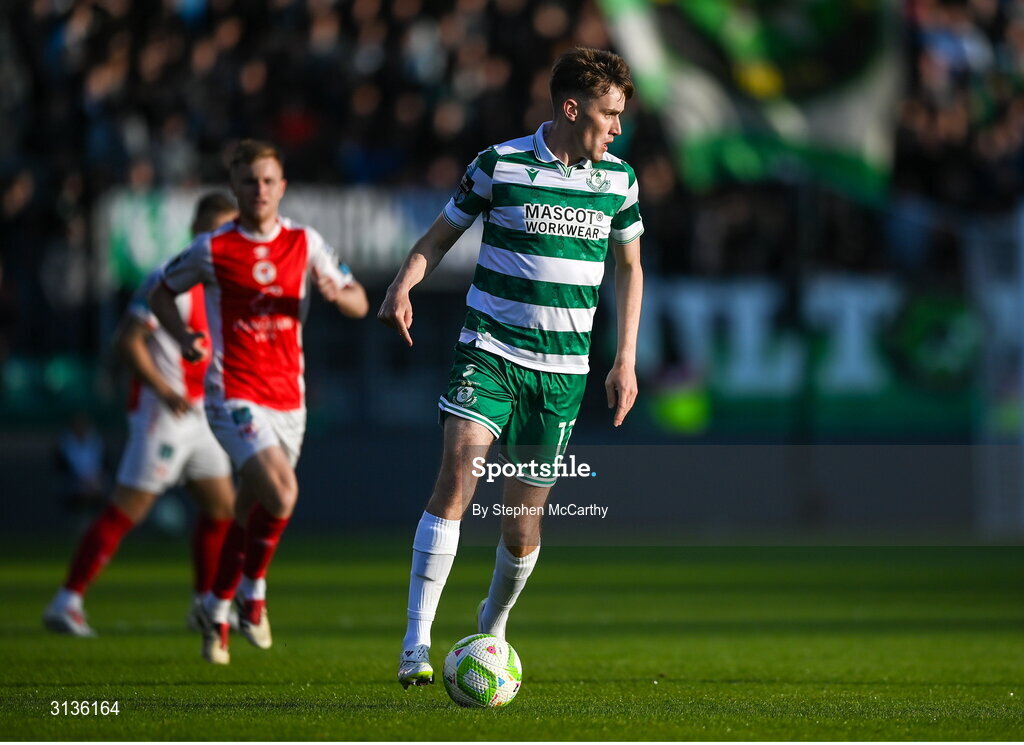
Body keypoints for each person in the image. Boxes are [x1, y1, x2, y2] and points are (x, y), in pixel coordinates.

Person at [378, 47, 644, 688]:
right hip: (490, 350)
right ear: (572, 108)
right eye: (609, 115)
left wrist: (625, 358)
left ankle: (490, 630)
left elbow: (630, 267)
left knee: (522, 525)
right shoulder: (499, 164)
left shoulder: (620, 181)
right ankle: (415, 646)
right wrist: (403, 285)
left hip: (562, 375)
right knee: (458, 477)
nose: (616, 128)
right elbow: (440, 235)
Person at [149, 139, 369, 664]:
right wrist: (182, 338)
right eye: (250, 181)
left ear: (282, 186)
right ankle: (254, 593)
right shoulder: (214, 248)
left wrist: (340, 294)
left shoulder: (304, 241)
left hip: (289, 399)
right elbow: (161, 291)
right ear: (236, 188)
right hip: (233, 392)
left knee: (250, 511)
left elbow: (361, 300)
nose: (260, 190)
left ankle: (214, 609)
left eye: (269, 180)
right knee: (284, 493)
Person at [43, 193, 240, 638]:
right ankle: (67, 600)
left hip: (201, 415)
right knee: (127, 509)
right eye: (212, 230)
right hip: (163, 413)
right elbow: (127, 342)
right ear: (195, 231)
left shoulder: (225, 285)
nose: (218, 239)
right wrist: (165, 389)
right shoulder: (169, 279)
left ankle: (204, 605)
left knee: (221, 507)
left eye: (227, 230)